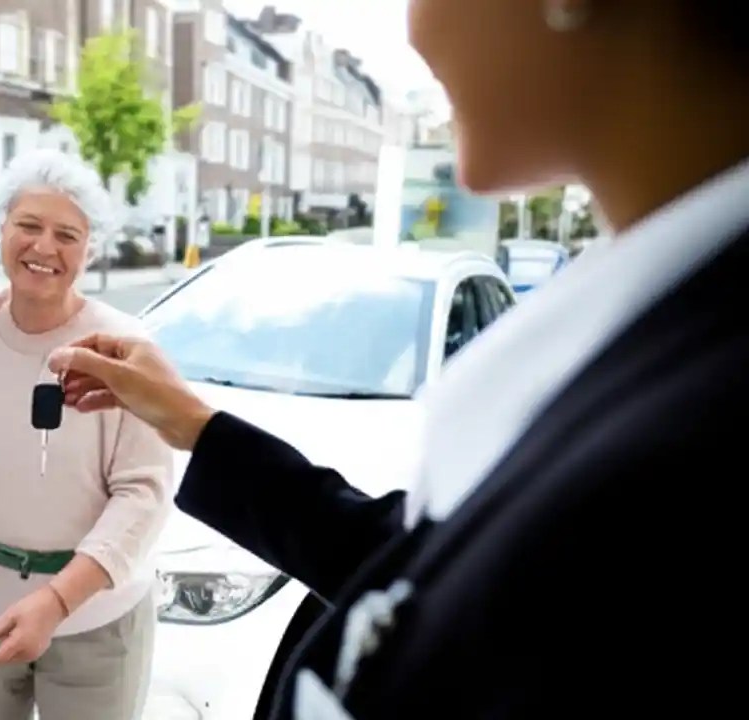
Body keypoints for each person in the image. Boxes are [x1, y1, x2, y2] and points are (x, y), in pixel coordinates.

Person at [48, 1, 749, 718]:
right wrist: (196, 424)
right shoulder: (666, 324)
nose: (412, 25)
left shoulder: (706, 428)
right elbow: (452, 574)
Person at [0, 149, 172, 719]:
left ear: (91, 249)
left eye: (67, 234)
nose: (44, 247)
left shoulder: (123, 346)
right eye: (29, 226)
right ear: (0, 231)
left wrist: (58, 599)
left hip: (97, 614)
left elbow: (144, 491)